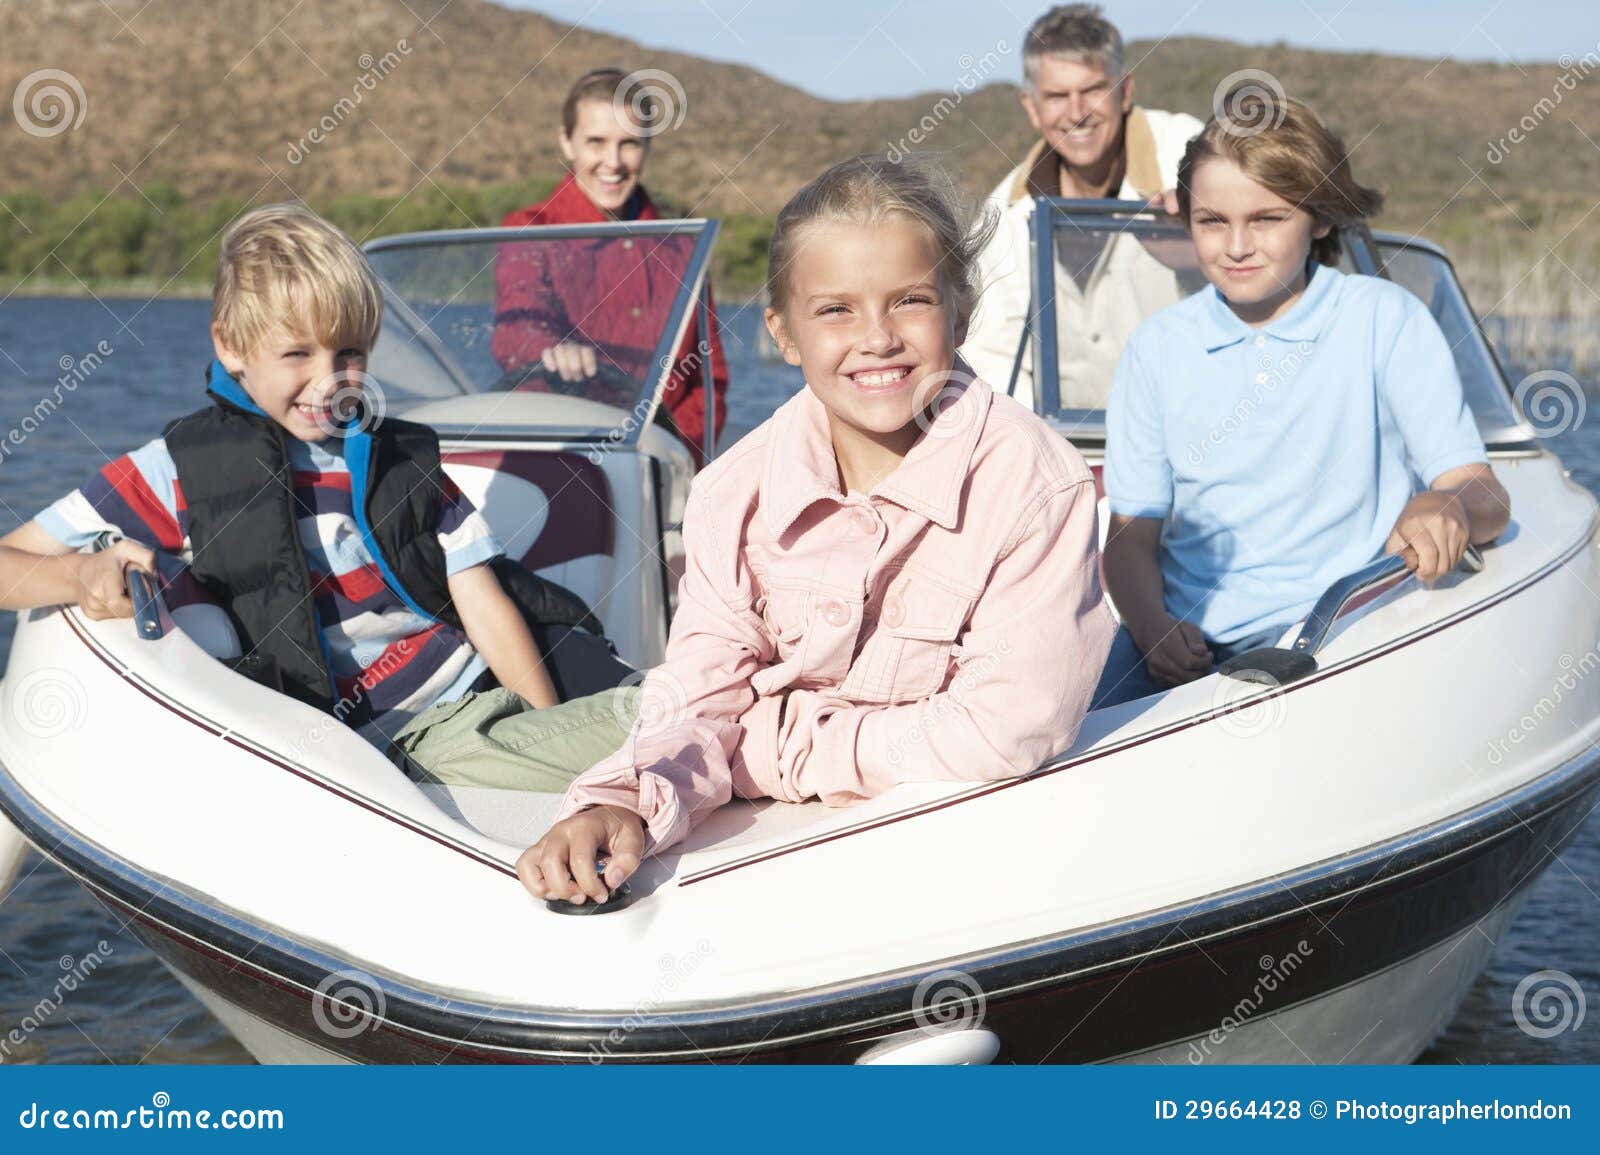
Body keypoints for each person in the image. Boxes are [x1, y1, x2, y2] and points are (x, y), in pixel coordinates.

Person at [473, 155, 1117, 905]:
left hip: (953, 859)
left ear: (960, 312)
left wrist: (775, 746)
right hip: (767, 846)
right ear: (783, 333)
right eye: (836, 310)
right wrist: (621, 803)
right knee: (482, 756)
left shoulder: (1034, 485)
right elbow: (701, 691)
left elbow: (1012, 725)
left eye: (910, 300)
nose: (878, 339)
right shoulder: (733, 492)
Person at [0, 204, 626, 762]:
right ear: (231, 345)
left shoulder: (400, 459)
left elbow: (481, 602)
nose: (330, 382)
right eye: (297, 354)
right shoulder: (172, 471)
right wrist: (80, 574)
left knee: (653, 706)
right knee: (642, 738)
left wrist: (545, 727)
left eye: (349, 353)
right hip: (401, 743)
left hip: (476, 678)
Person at [1091, 90, 1510, 708]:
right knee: (1064, 737)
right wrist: (1152, 627)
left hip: (1343, 634)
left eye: (1266, 219)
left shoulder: (1385, 318)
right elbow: (1131, 536)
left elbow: (1485, 494)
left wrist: (1447, 504)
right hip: (1184, 640)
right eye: (1212, 221)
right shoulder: (1155, 347)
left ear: (1320, 218)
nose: (1237, 245)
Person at [961, 4, 1203, 410]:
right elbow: (992, 356)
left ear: (1125, 91)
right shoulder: (1002, 215)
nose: (1077, 113)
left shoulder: (1192, 155)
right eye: (1057, 96)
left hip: (1192, 427)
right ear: (1031, 107)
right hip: (1065, 441)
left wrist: (1199, 245)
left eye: (1093, 90)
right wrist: (1039, 439)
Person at [491, 67, 729, 464]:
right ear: (567, 142)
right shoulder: (529, 230)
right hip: (560, 456)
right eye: (596, 142)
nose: (613, 162)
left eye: (629, 143)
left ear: (647, 147)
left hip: (658, 466)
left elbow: (708, 380)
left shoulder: (683, 249)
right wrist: (550, 349)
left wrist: (671, 459)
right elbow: (515, 328)